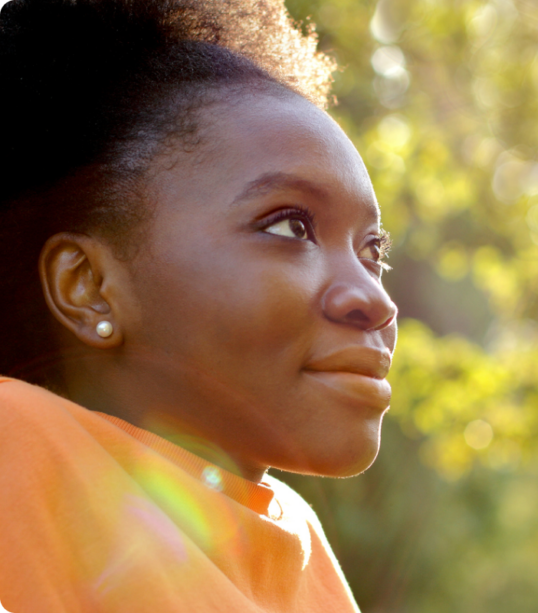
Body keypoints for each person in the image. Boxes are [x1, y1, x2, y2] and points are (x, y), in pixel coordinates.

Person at [0, 0, 397, 610]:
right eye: (289, 227)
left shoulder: (299, 543)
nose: (373, 300)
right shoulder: (14, 446)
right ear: (89, 287)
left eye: (373, 252)